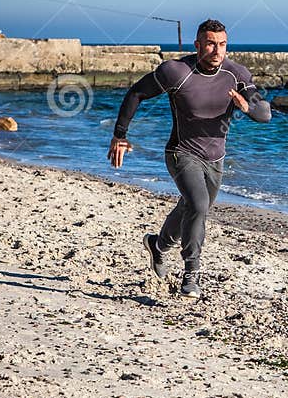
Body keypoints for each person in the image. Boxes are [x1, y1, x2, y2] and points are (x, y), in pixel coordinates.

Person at [107, 19, 271, 299]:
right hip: (181, 152)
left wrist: (247, 108)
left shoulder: (236, 74)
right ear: (197, 45)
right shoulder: (176, 71)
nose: (217, 50)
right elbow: (136, 93)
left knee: (189, 208)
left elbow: (264, 113)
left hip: (216, 158)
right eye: (210, 43)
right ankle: (191, 273)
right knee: (199, 204)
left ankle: (157, 246)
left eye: (222, 44)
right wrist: (120, 135)